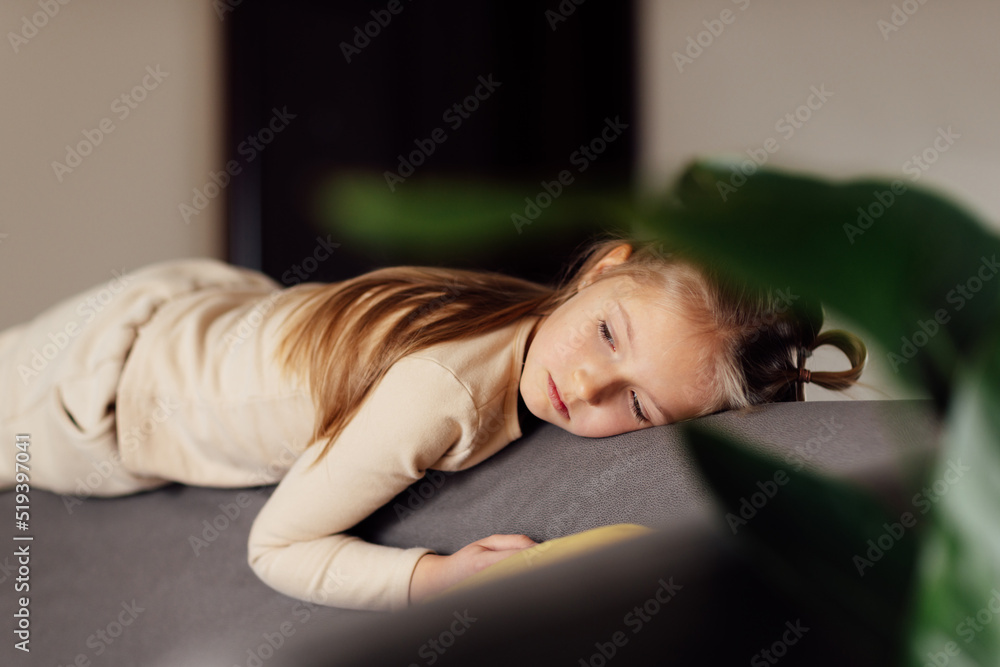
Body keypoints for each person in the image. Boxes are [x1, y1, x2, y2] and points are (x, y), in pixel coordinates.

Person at [0, 237, 866, 611]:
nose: (588, 386)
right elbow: (277, 547)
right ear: (606, 267)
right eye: (608, 333)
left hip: (175, 313)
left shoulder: (505, 310)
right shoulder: (444, 395)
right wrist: (435, 579)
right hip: (97, 400)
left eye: (637, 405)